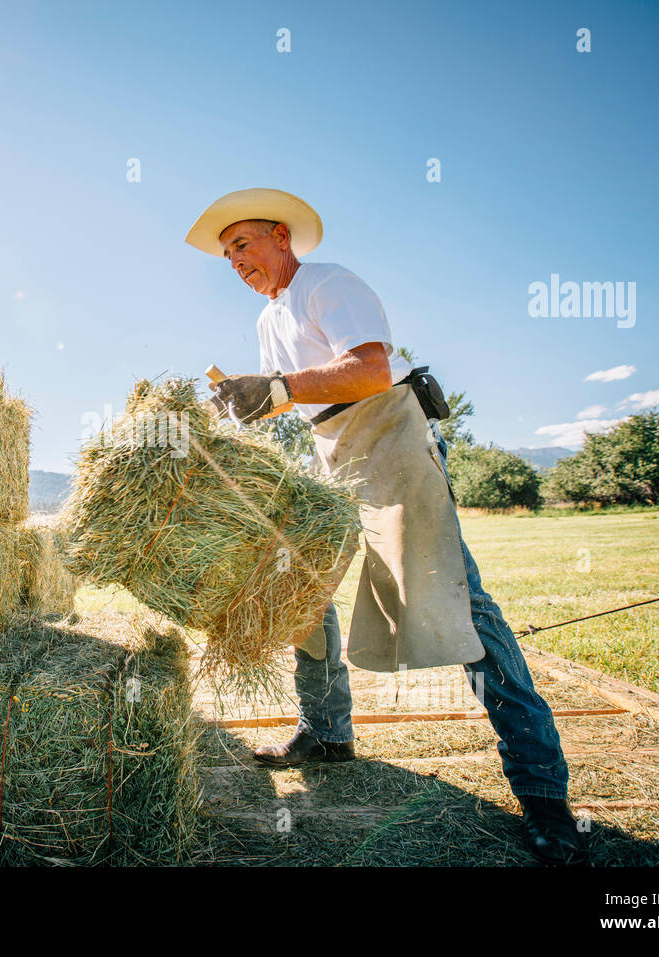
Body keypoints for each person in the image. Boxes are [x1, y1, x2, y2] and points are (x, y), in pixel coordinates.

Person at [185, 188, 589, 865]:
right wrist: (245, 405)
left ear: (281, 236)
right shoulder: (267, 321)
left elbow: (370, 369)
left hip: (390, 439)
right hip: (330, 455)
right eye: (228, 255)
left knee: (455, 607)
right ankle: (329, 730)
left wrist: (279, 388)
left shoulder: (327, 283)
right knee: (300, 594)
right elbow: (291, 398)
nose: (235, 262)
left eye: (243, 245)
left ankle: (545, 796)